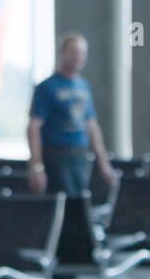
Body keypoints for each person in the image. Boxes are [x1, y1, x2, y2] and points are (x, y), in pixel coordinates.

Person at [27, 32, 117, 196]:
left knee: (80, 204)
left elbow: (91, 125)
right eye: (74, 52)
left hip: (80, 157)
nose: (78, 57)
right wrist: (36, 166)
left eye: (82, 53)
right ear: (63, 54)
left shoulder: (84, 86)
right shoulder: (46, 87)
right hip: (56, 157)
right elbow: (34, 127)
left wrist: (103, 162)